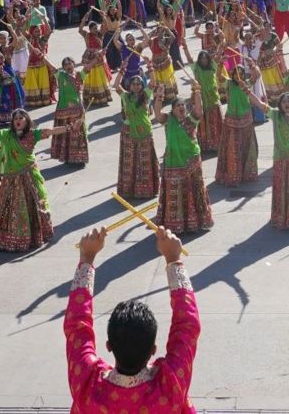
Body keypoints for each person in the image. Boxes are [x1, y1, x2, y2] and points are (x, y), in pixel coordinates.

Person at [65, 226, 200, 413]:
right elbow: (187, 326)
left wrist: (86, 258)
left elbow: (77, 327)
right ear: (153, 350)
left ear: (109, 346)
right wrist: (173, 259)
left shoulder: (87, 385)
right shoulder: (170, 385)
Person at [0, 109, 79, 252]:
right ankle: (8, 239)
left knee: (33, 205)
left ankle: (33, 236)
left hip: (29, 176)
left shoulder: (33, 134)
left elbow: (50, 131)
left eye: (21, 118)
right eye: (15, 118)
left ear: (27, 121)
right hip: (11, 179)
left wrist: (70, 127)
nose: (18, 120)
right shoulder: (6, 135)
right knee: (11, 208)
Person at [153, 85, 214, 233]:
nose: (181, 107)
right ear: (173, 109)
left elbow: (199, 109)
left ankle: (197, 221)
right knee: (174, 192)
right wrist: (159, 97)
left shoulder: (191, 120)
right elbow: (157, 114)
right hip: (173, 162)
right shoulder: (168, 120)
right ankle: (175, 223)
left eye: (182, 105)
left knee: (195, 190)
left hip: (191, 161)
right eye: (178, 106)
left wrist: (197, 91)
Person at [114, 71, 159, 199]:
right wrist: (121, 71)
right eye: (133, 84)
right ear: (129, 86)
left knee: (145, 160)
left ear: (142, 85)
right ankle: (129, 190)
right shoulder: (125, 97)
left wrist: (150, 67)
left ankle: (146, 190)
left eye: (139, 84)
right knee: (129, 161)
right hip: (128, 131)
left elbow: (153, 83)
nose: (136, 86)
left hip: (144, 132)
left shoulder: (146, 95)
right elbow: (116, 86)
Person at [216, 64, 260, 187]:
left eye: (241, 74)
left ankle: (247, 175)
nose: (238, 76)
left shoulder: (247, 84)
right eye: (236, 74)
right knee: (233, 149)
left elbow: (256, 75)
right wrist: (220, 64)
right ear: (233, 75)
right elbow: (219, 77)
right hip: (232, 121)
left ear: (244, 75)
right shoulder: (229, 83)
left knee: (246, 147)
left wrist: (252, 65)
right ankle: (233, 175)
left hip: (246, 121)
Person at [251, 92, 289, 229]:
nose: (287, 104)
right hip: (280, 158)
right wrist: (247, 91)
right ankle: (280, 217)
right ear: (280, 104)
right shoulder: (275, 115)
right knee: (280, 187)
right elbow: (260, 104)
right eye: (284, 101)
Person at [48, 57, 89, 165]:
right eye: (65, 65)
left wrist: (99, 56)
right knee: (65, 134)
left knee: (78, 133)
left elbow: (88, 67)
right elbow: (51, 67)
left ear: (74, 64)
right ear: (63, 68)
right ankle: (67, 157)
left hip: (77, 110)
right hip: (63, 111)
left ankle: (79, 159)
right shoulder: (61, 76)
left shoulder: (80, 75)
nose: (68, 66)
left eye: (69, 63)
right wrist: (42, 57)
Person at [191, 50, 224, 153]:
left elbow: (217, 57)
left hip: (213, 100)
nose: (204, 60)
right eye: (202, 58)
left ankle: (217, 145)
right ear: (199, 60)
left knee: (215, 123)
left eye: (206, 58)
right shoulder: (196, 68)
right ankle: (206, 146)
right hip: (201, 100)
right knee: (203, 124)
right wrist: (186, 48)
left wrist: (221, 47)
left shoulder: (212, 66)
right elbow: (189, 60)